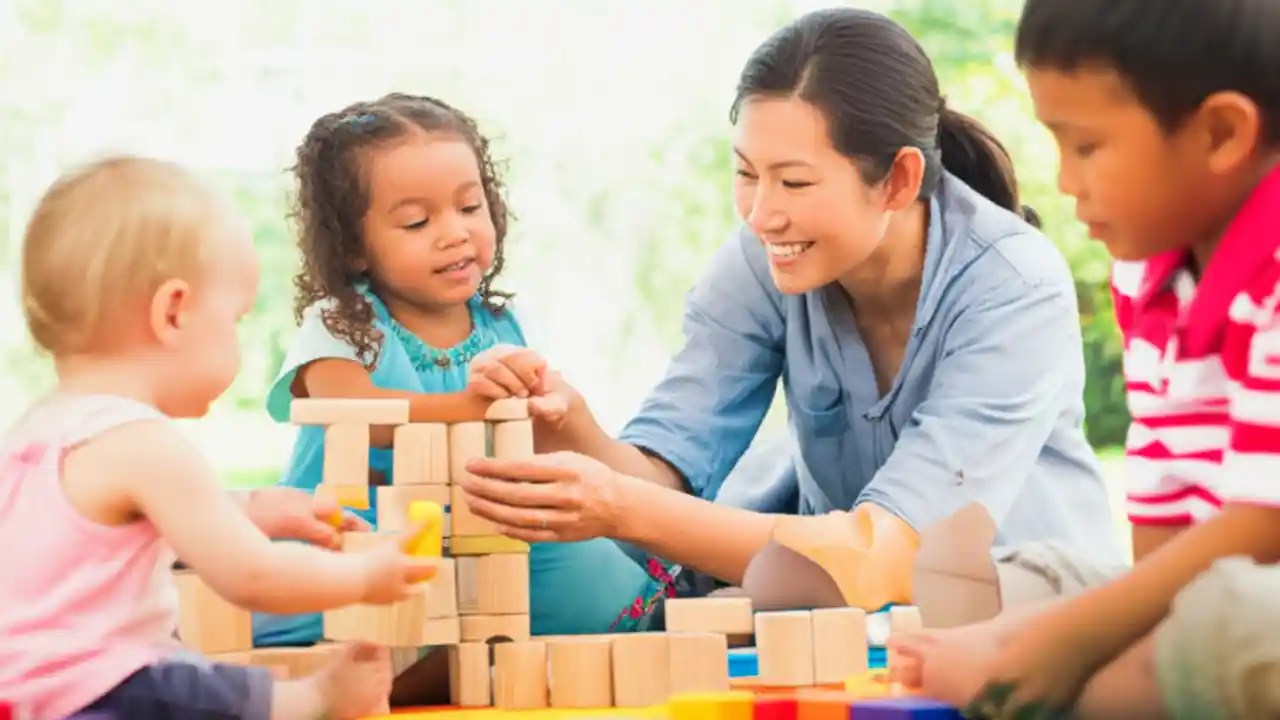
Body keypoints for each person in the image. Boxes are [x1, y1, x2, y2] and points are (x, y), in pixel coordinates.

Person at [456, 7, 1120, 611]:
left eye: (794, 182)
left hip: (1028, 612)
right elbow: (668, 480)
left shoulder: (1013, 285)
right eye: (746, 174)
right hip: (853, 620)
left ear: (898, 180)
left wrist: (620, 506)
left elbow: (887, 553)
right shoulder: (761, 261)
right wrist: (571, 427)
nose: (762, 214)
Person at [891, 1, 1280, 718]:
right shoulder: (1149, 276)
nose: (1065, 181)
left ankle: (1048, 691)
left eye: (1087, 147)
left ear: (1222, 134)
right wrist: (1053, 624)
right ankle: (1073, 682)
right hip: (1198, 590)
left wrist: (1063, 644)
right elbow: (1163, 537)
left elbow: (1262, 531)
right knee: (984, 581)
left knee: (1233, 621)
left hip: (1256, 594)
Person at [0, 156, 437, 720]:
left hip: (22, 696)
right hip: (99, 695)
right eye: (236, 318)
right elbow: (252, 576)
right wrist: (363, 576)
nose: (238, 338)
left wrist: (256, 510)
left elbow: (108, 540)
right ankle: (307, 703)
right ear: (174, 312)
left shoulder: (37, 434)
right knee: (184, 681)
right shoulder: (142, 442)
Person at [252, 93, 666, 651]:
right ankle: (431, 660)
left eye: (470, 208)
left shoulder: (502, 325)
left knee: (585, 564)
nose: (455, 232)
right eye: (418, 221)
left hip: (480, 529)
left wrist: (542, 405)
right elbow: (356, 413)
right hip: (359, 530)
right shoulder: (345, 323)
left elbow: (529, 435)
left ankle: (619, 633)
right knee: (332, 602)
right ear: (353, 247)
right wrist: (470, 409)